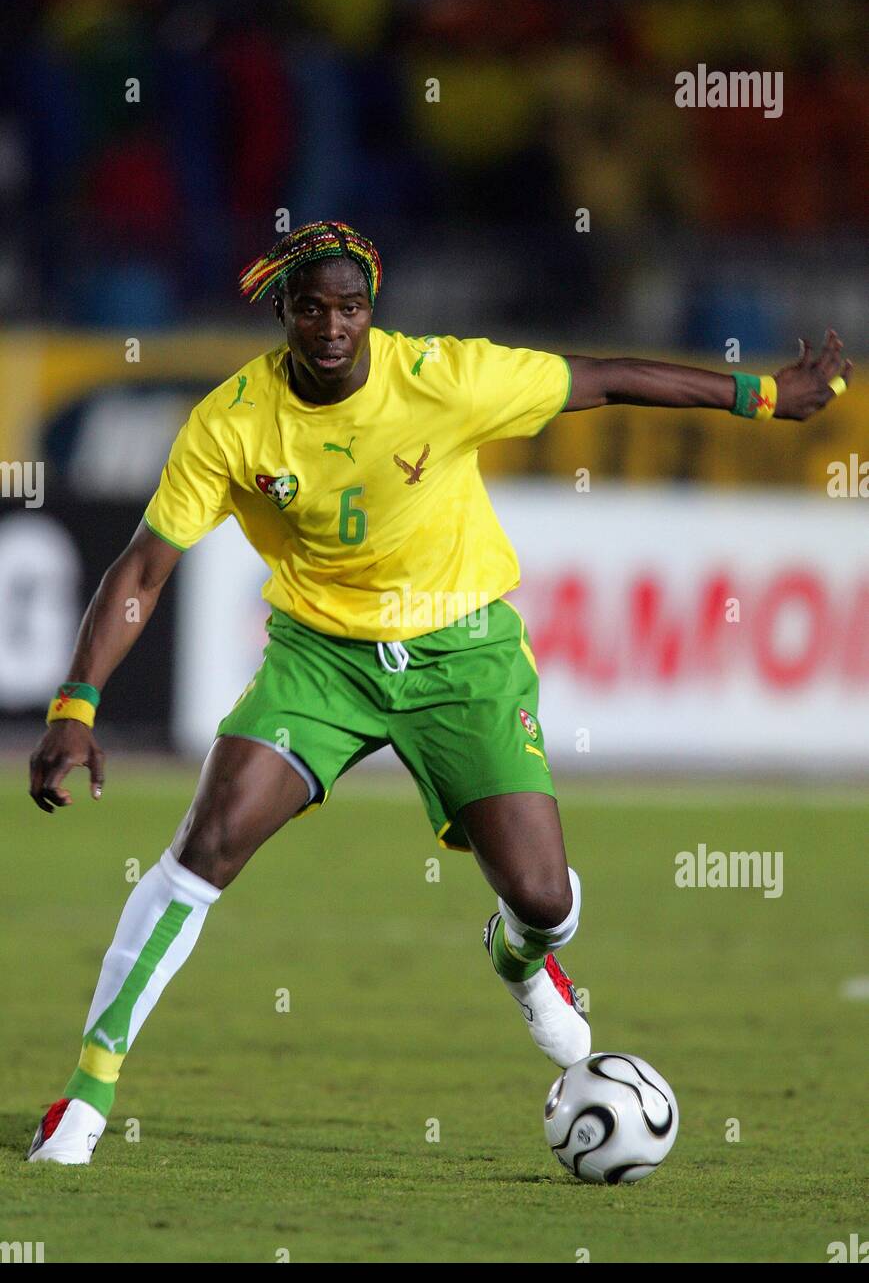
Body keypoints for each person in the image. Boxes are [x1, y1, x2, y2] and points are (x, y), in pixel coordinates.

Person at [27, 220, 852, 1164]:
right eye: (312, 308)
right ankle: (86, 1101)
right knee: (203, 846)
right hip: (322, 661)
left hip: (464, 655)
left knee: (543, 899)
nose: (333, 326)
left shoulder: (442, 379)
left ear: (370, 310)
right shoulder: (231, 420)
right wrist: (75, 707)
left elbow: (606, 378)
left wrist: (759, 394)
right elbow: (143, 570)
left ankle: (520, 957)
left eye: (351, 307)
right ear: (283, 313)